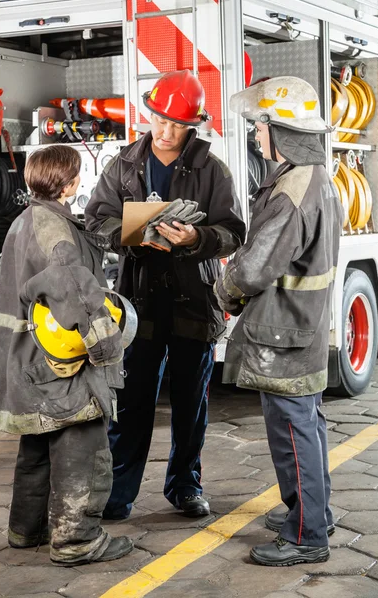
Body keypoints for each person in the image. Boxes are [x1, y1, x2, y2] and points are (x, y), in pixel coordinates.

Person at [85, 70, 246, 519]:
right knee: (132, 400)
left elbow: (234, 232)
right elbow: (96, 220)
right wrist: (133, 235)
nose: (166, 130)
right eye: (159, 119)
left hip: (193, 300)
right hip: (138, 302)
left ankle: (185, 486)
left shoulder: (212, 170)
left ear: (193, 124)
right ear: (148, 113)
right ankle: (119, 493)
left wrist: (195, 237)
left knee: (191, 403)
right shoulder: (123, 164)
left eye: (177, 124)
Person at [0, 145, 133, 566]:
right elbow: (74, 290)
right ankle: (78, 541)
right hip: (58, 361)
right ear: (70, 183)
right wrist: (107, 346)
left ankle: (25, 531)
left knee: (37, 442)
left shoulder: (26, 219)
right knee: (82, 444)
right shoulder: (53, 229)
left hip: (28, 360)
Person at [215, 76, 343, 566]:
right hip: (298, 328)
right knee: (306, 426)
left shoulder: (292, 190)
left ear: (281, 130)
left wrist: (220, 292)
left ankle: (307, 535)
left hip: (285, 331)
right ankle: (313, 512)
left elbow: (253, 268)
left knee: (293, 432)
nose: (255, 135)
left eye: (261, 125)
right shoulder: (313, 176)